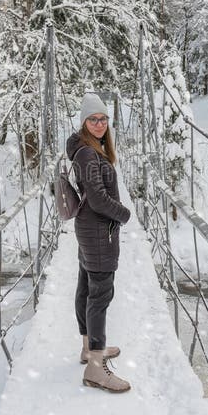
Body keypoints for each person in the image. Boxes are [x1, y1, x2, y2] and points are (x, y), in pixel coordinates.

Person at [66, 92, 132, 393]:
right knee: (100, 294)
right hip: (98, 231)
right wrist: (123, 213)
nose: (99, 123)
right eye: (93, 119)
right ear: (84, 122)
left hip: (90, 229)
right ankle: (96, 367)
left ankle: (88, 348)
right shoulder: (87, 153)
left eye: (103, 118)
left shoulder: (88, 150)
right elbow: (96, 196)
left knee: (87, 287)